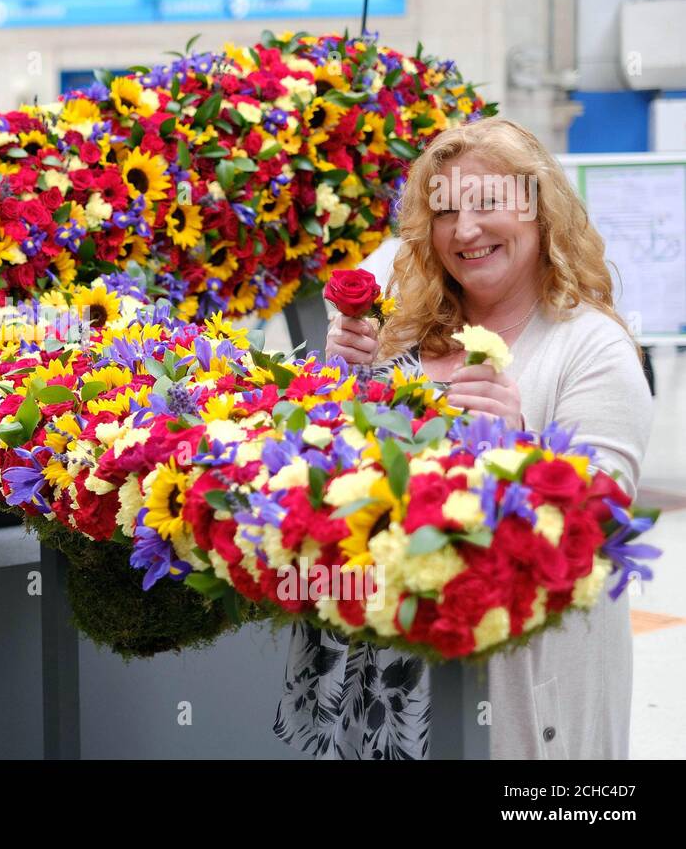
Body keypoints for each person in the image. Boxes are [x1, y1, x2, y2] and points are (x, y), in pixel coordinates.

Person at [273, 116, 652, 759]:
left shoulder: (591, 346)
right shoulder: (406, 337)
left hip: (520, 697)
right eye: (444, 211)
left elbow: (603, 520)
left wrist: (521, 447)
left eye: (486, 205)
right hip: (388, 699)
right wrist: (338, 387)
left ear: (541, 212)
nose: (465, 230)